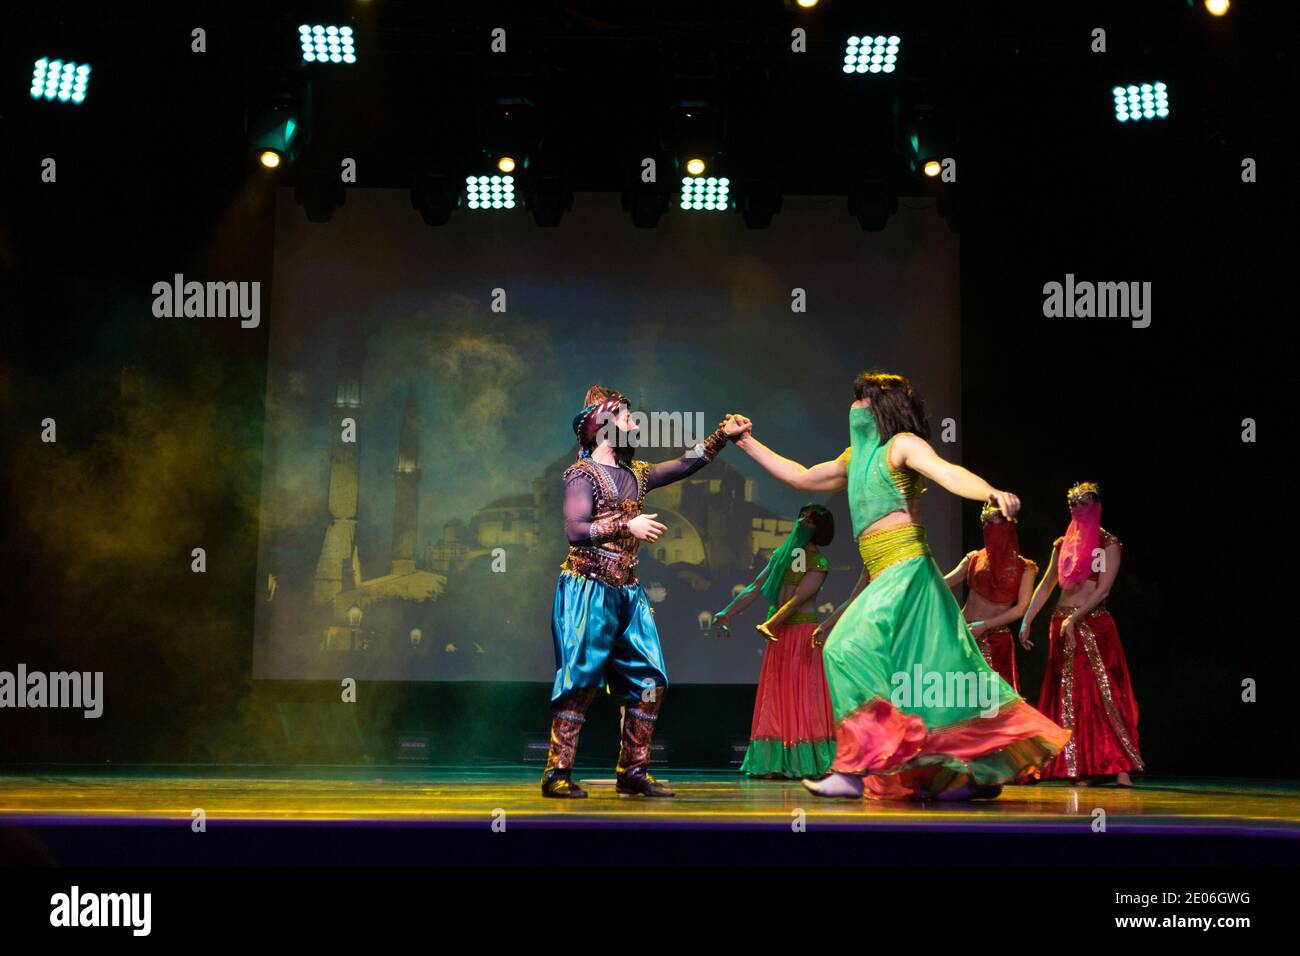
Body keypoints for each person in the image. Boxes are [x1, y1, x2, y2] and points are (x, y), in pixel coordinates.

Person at [730, 371, 1070, 800]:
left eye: (862, 399)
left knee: (843, 648)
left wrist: (989, 492)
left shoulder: (901, 445)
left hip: (906, 570)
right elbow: (799, 477)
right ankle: (961, 774)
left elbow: (947, 472)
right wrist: (745, 443)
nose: (853, 406)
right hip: (885, 574)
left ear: (881, 407)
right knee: (932, 677)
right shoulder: (854, 459)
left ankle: (857, 766)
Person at [540, 385, 749, 798]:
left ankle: (633, 771)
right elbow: (575, 530)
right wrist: (626, 525)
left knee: (651, 680)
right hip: (587, 589)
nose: (635, 425)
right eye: (626, 418)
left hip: (627, 593)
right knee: (580, 681)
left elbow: (685, 465)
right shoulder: (581, 475)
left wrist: (721, 435)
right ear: (603, 426)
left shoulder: (637, 474)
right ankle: (557, 773)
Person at [1020, 482, 1143, 787]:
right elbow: (1047, 584)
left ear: (1097, 506)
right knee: (1069, 696)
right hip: (1062, 623)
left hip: (1094, 624)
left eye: (1085, 502)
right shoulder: (1063, 544)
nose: (1078, 508)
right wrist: (1026, 619)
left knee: (1104, 694)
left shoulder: (1108, 543)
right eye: (1074, 503)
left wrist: (1076, 618)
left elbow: (1104, 589)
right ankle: (1080, 767)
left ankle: (1119, 766)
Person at [713, 504, 837, 778]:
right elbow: (755, 586)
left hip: (801, 635)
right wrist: (728, 612)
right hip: (777, 635)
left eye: (810, 520)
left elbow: (796, 600)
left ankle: (806, 762)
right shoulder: (785, 555)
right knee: (776, 697)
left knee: (803, 695)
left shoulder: (817, 562)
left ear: (819, 530)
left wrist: (771, 623)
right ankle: (773, 762)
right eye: (802, 516)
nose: (803, 521)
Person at [944, 501, 1037, 692]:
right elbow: (943, 583)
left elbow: (1020, 609)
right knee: (959, 696)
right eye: (985, 524)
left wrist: (985, 626)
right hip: (964, 634)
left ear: (1007, 527)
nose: (988, 529)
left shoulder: (1025, 568)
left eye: (993, 524)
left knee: (995, 702)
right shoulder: (974, 558)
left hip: (996, 640)